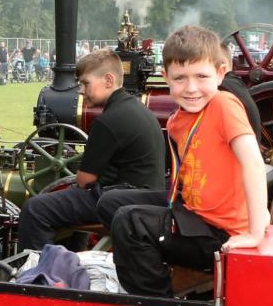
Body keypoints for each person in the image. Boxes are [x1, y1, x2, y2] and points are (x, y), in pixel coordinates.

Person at [98, 26, 269, 297]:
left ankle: (158, 304)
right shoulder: (177, 121)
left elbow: (253, 162)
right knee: (110, 200)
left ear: (221, 72)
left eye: (202, 76)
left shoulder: (224, 104)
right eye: (180, 78)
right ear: (165, 77)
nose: (191, 88)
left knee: (130, 222)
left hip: (221, 232)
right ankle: (168, 267)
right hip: (194, 211)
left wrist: (256, 232)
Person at [18, 50, 166, 251]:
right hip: (148, 196)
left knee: (35, 208)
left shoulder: (108, 121)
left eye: (85, 83)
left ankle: (38, 274)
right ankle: (76, 256)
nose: (80, 90)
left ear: (108, 80)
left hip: (121, 200)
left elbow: (83, 180)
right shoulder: (141, 111)